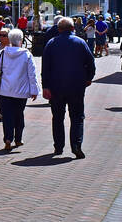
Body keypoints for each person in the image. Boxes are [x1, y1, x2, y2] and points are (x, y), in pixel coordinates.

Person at [41, 16, 96, 158]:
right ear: (73, 28)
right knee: (77, 117)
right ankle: (76, 145)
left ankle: (58, 147)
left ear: (58, 29)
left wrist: (45, 86)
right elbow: (91, 63)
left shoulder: (51, 43)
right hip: (76, 86)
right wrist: (88, 78)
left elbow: (45, 67)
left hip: (56, 87)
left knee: (58, 117)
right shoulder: (80, 43)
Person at [0, 28, 39, 151]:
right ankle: (18, 139)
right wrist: (34, 90)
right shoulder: (26, 54)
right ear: (20, 40)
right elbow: (32, 74)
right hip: (21, 91)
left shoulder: (3, 53)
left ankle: (8, 138)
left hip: (5, 90)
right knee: (19, 114)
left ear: (10, 40)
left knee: (7, 115)